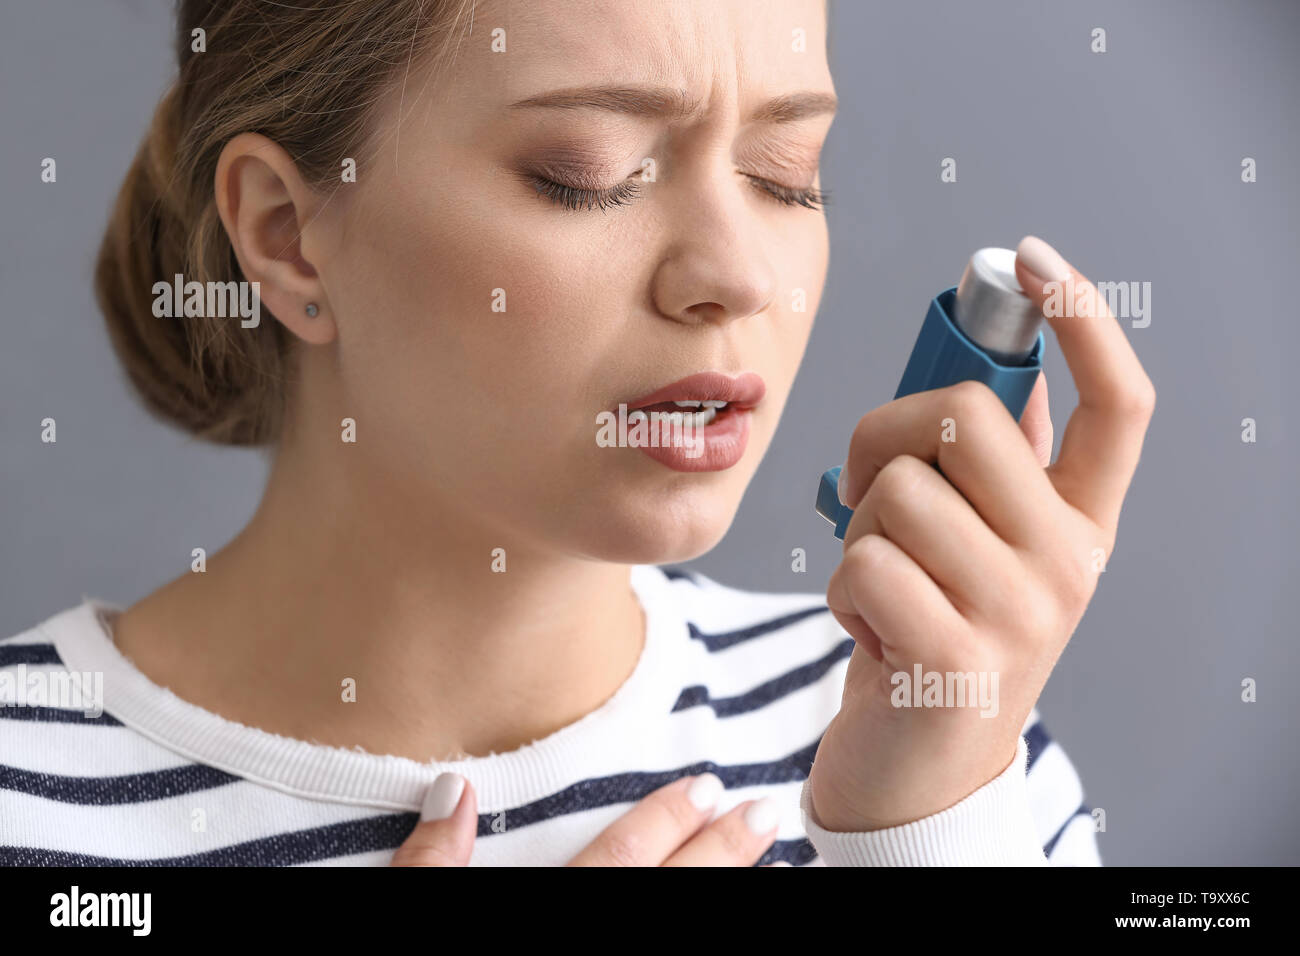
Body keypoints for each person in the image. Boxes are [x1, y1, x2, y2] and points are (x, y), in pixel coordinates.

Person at [0, 0, 1152, 866]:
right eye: (587, 176)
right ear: (290, 235)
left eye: (784, 176)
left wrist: (921, 831)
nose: (736, 275)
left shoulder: (922, 737)